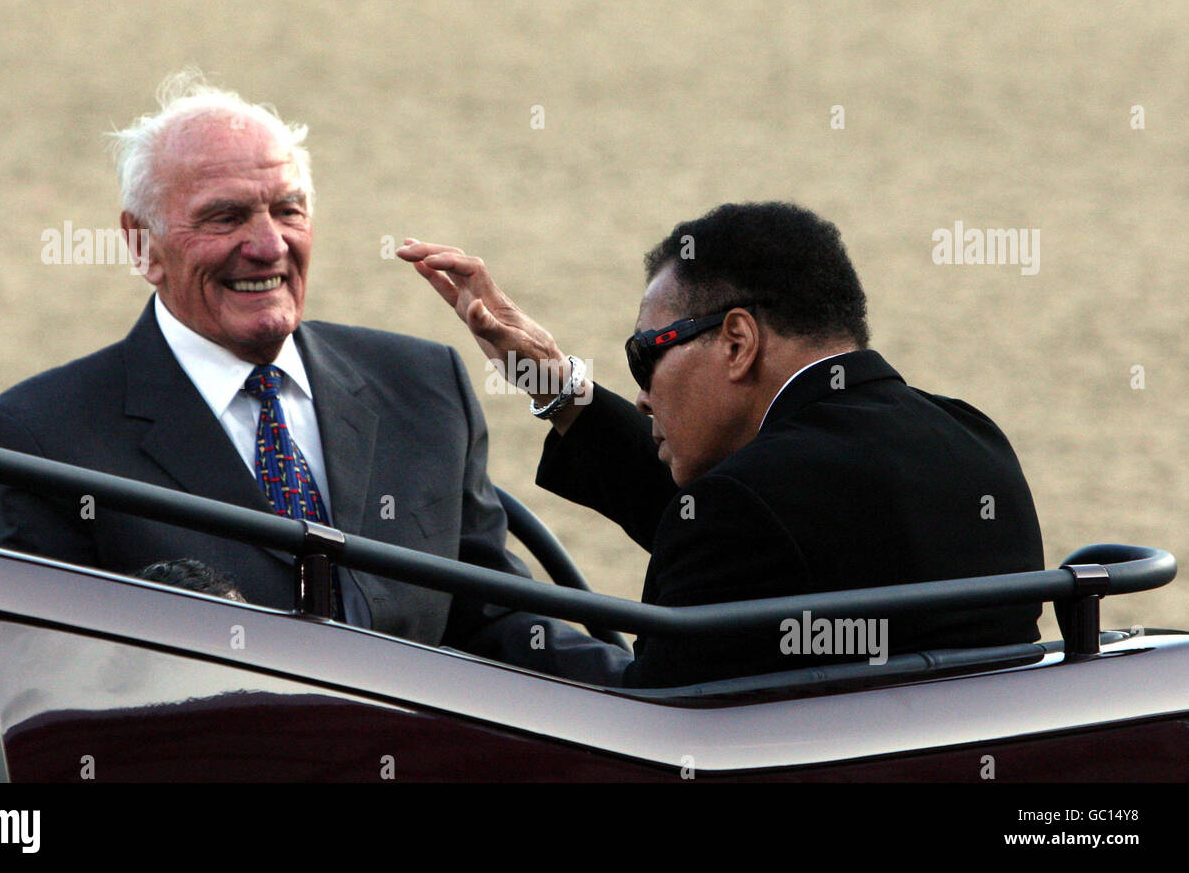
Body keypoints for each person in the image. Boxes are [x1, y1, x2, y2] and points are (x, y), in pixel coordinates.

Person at [0, 71, 630, 682]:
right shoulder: (37, 437)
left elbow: (494, 623)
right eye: (225, 216)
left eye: (288, 209)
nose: (268, 245)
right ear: (142, 245)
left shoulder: (425, 387)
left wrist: (663, 693)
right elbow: (53, 699)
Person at [398, 201, 1044, 688]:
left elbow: (642, 739)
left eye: (645, 355)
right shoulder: (977, 443)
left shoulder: (744, 510)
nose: (644, 394)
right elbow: (778, 532)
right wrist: (560, 388)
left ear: (737, 342)